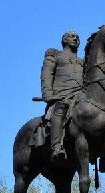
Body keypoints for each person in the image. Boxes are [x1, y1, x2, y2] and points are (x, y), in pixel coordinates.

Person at [39, 31, 84, 161]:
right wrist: (47, 93)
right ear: (64, 40)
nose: (75, 39)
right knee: (60, 110)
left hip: (80, 95)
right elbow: (47, 75)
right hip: (62, 95)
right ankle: (56, 147)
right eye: (72, 37)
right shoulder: (56, 56)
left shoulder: (82, 62)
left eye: (77, 38)